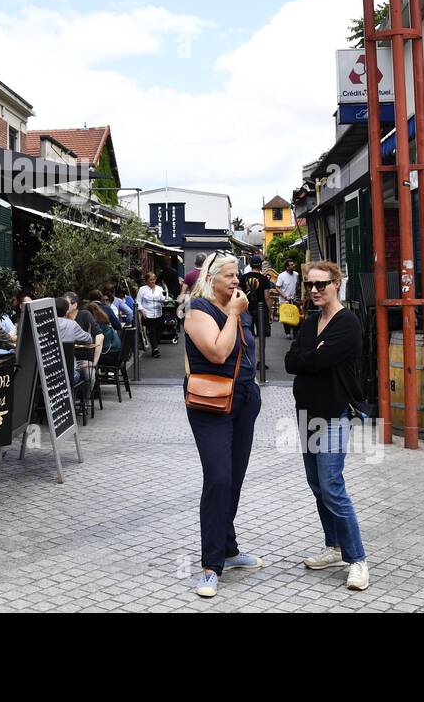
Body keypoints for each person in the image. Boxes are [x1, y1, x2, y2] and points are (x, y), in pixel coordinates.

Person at [285, 261, 369, 592]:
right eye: (309, 285)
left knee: (332, 485)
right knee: (317, 485)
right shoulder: (309, 324)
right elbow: (292, 361)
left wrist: (310, 357)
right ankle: (333, 547)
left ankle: (358, 559)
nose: (314, 290)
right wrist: (310, 356)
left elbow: (317, 361)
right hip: (306, 412)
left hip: (333, 414)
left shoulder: (347, 323)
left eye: (321, 284)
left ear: (336, 284)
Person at [184, 252, 262, 598]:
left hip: (244, 400)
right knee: (217, 479)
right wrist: (232, 314)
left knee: (233, 480)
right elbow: (217, 352)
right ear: (210, 278)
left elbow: (247, 352)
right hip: (211, 405)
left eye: (237, 276)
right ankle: (210, 566)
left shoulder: (239, 308)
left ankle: (228, 550)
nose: (236, 282)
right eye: (229, 276)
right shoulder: (200, 310)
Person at [54, 296, 93, 385]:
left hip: (49, 375)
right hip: (69, 375)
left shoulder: (46, 324)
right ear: (67, 310)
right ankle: (85, 396)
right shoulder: (72, 325)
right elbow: (88, 339)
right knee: (84, 372)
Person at [136, 272, 167, 358]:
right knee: (152, 331)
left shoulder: (160, 289)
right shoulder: (142, 289)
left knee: (159, 331)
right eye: (150, 280)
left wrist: (164, 299)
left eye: (154, 279)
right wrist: (142, 310)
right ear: (146, 281)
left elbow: (163, 299)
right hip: (148, 314)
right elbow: (138, 301)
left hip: (158, 313)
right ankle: (155, 349)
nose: (153, 281)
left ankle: (155, 345)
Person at [276, 259, 301, 338]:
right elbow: (277, 287)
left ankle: (295, 333)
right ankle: (287, 333)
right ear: (287, 267)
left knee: (295, 315)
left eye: (293, 264)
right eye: (291, 265)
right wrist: (285, 296)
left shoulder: (296, 274)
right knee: (287, 317)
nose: (293, 266)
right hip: (285, 300)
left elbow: (298, 286)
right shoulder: (282, 275)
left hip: (294, 299)